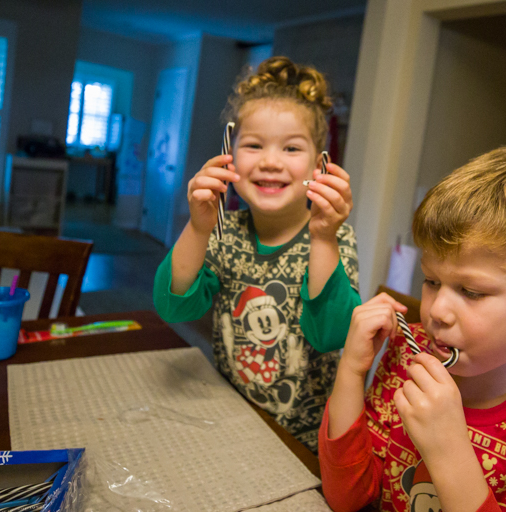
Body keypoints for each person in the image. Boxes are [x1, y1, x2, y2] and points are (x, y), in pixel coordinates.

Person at [319, 147, 506, 511]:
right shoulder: (410, 351)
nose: (437, 311)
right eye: (431, 281)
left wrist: (448, 450)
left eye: (472, 291)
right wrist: (352, 370)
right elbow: (346, 499)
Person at [153, 56, 361, 452]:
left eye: (291, 148)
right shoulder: (222, 231)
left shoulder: (336, 239)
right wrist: (199, 226)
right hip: (233, 419)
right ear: (230, 153)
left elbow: (331, 335)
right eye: (253, 145)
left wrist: (323, 237)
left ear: (320, 166)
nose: (269, 161)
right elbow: (174, 307)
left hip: (305, 443)